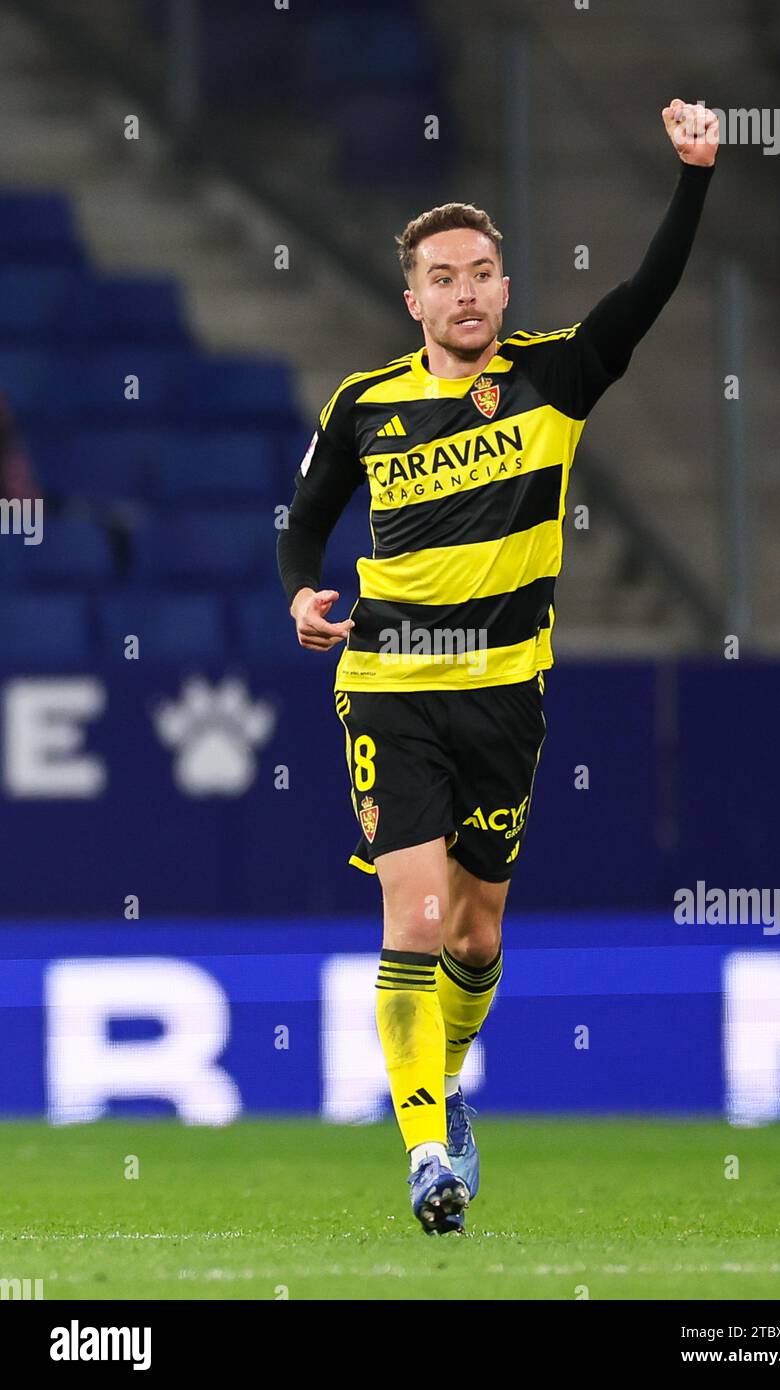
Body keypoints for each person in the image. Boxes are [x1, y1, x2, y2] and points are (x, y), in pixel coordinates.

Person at [277, 98, 718, 1235]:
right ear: (411, 298)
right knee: (415, 917)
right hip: (388, 676)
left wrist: (693, 177)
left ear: (504, 289)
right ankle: (426, 1149)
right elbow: (308, 515)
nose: (465, 290)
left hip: (505, 693)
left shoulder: (555, 379)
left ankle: (447, 1081)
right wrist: (300, 590)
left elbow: (645, 297)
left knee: (476, 936)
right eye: (443, 275)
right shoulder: (364, 405)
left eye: (482, 270)